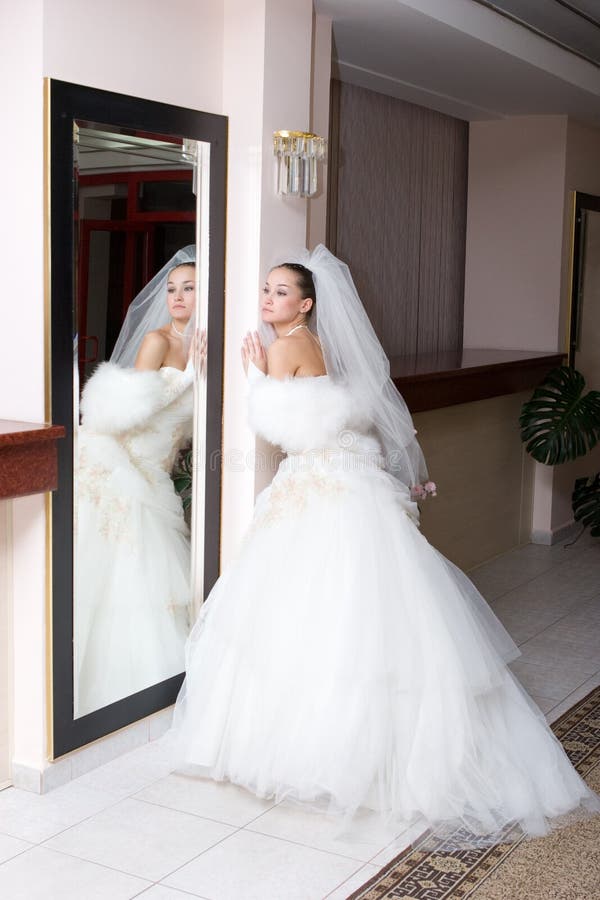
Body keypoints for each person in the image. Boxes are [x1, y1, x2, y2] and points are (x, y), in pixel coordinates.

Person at [166, 244, 598, 844]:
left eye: (280, 292)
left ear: (306, 304)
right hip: (342, 483)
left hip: (316, 487)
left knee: (311, 615)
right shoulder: (314, 344)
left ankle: (322, 756)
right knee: (367, 612)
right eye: (265, 289)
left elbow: (286, 429)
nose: (267, 299)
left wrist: (253, 378)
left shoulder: (287, 347)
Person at [75, 246, 196, 717]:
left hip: (158, 472)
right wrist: (189, 379)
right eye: (171, 288)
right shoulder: (158, 341)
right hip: (125, 465)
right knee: (126, 570)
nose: (177, 297)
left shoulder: (205, 342)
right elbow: (125, 413)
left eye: (189, 289)